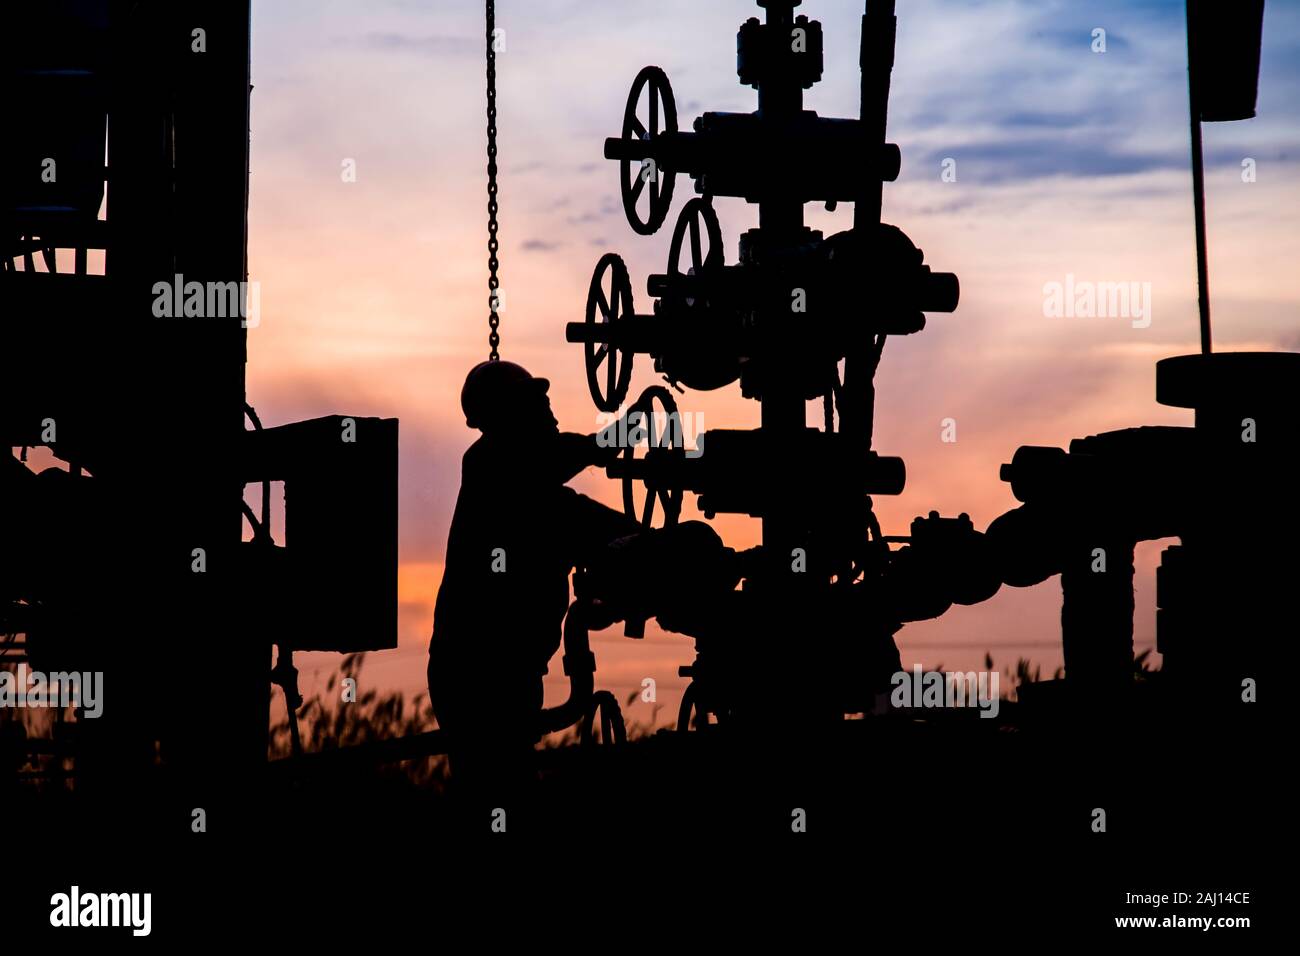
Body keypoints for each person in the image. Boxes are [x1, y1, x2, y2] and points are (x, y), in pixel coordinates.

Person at [428, 360, 637, 799]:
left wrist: (651, 545)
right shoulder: (490, 469)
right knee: (498, 787)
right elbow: (559, 459)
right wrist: (624, 434)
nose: (550, 411)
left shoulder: (539, 500)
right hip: (477, 675)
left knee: (500, 786)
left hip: (499, 674)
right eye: (537, 403)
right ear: (511, 418)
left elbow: (615, 533)